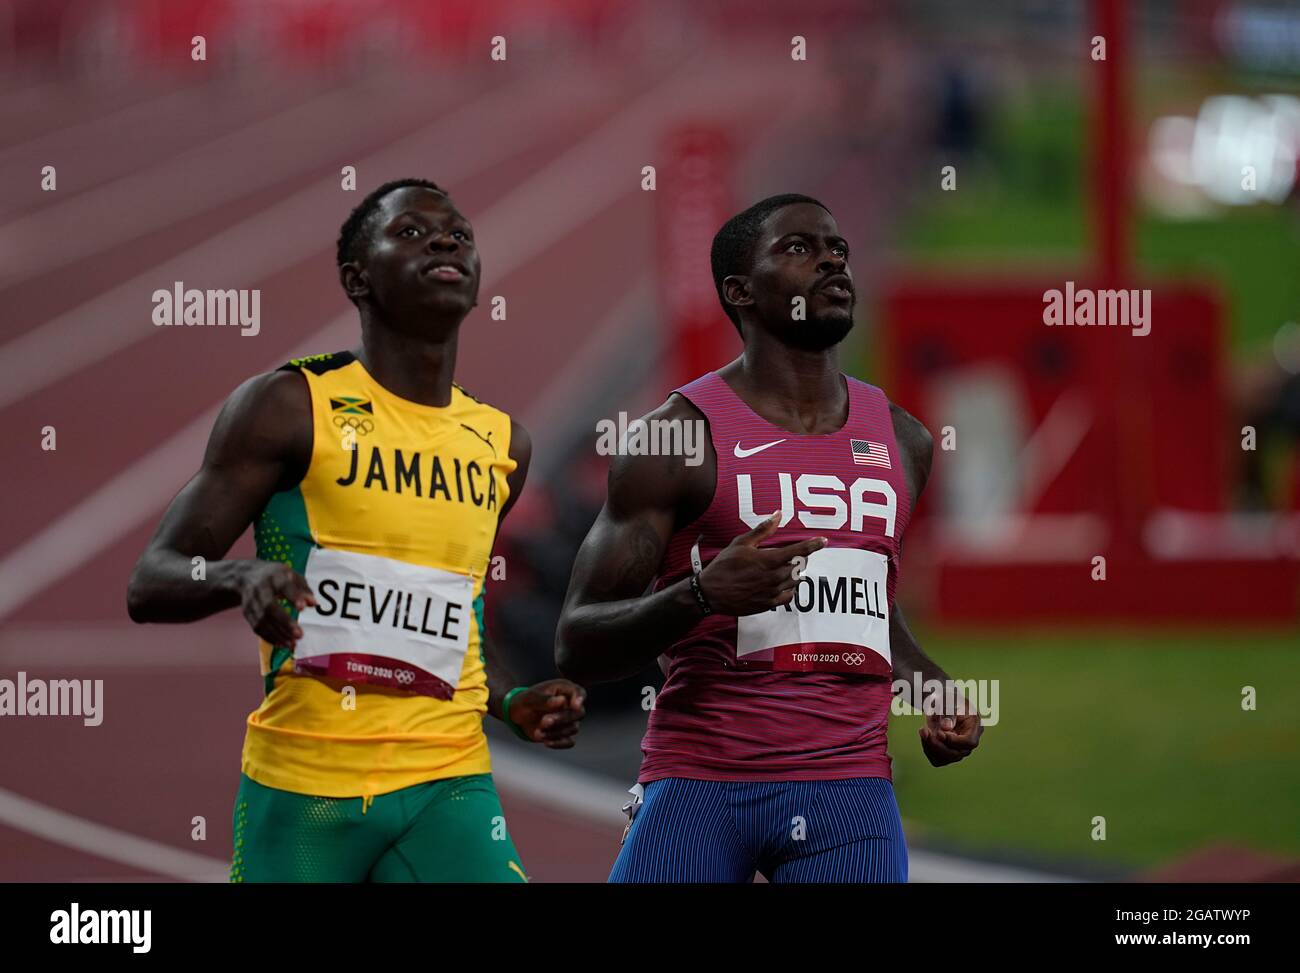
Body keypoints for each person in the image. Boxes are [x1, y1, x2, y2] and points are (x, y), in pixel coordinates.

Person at [128, 178, 586, 882]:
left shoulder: (501, 444)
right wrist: (239, 576)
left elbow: (451, 618)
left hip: (448, 781)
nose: (445, 241)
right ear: (357, 279)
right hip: (305, 788)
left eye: (459, 235)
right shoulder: (289, 407)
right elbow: (152, 579)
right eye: (410, 232)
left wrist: (511, 699)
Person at [556, 193, 981, 883]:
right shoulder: (677, 439)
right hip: (703, 783)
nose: (832, 262)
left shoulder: (904, 440)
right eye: (799, 248)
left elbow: (870, 604)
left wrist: (932, 688)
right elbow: (577, 641)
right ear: (740, 292)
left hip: (848, 794)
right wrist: (700, 594)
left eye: (838, 249)